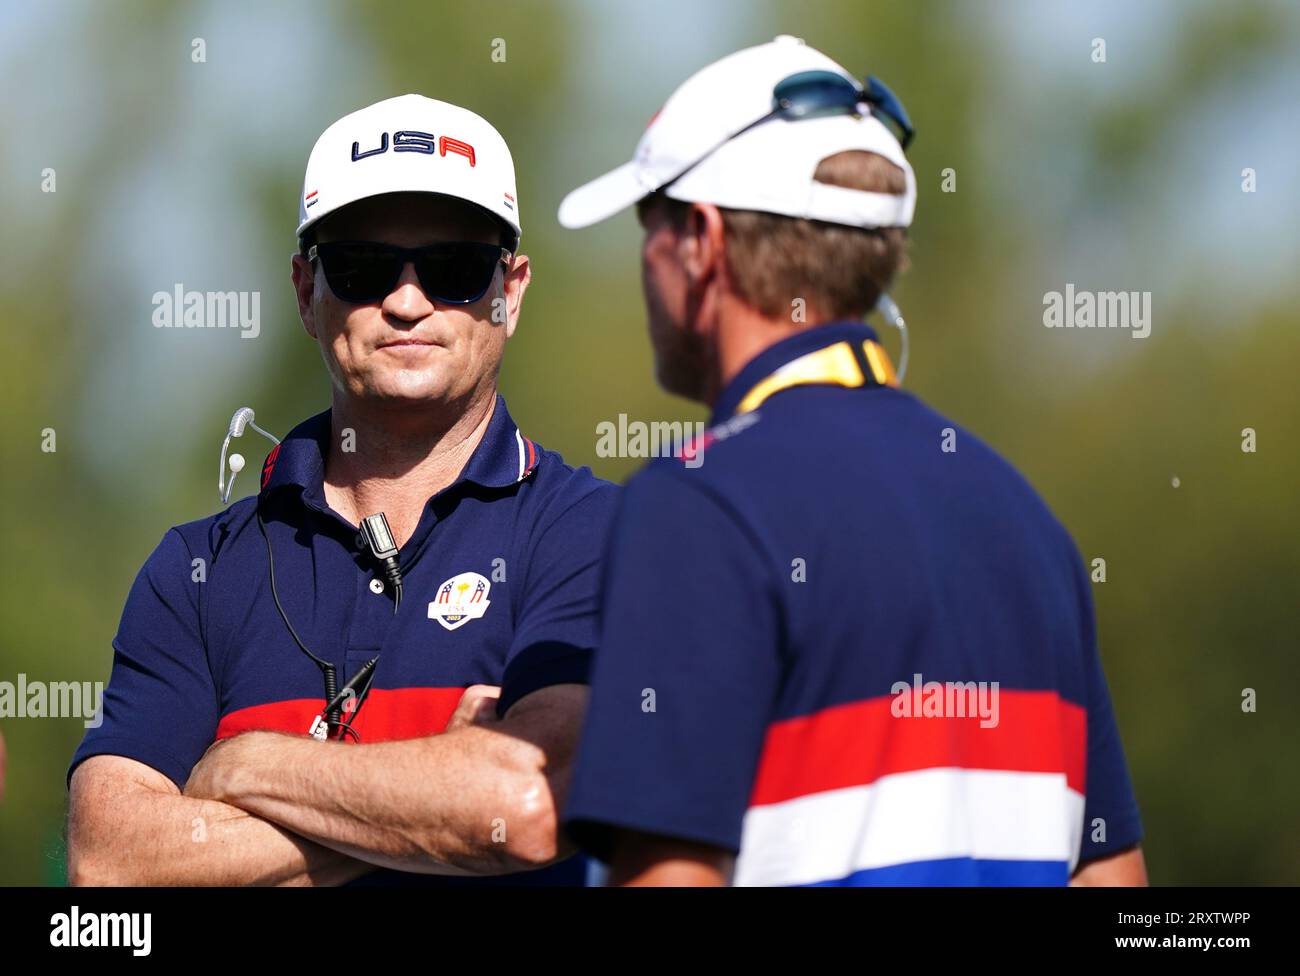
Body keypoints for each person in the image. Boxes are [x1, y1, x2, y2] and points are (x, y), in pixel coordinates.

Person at [557, 36, 1146, 886]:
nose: (642, 259)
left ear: (701, 240)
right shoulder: (1027, 519)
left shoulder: (697, 504)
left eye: (648, 221)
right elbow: (1116, 880)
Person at [67, 93, 617, 886]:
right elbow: (113, 863)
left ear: (513, 289)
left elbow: (525, 803)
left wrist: (247, 767)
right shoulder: (195, 570)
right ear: (303, 288)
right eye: (361, 266)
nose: (405, 300)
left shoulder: (595, 532)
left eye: (456, 269)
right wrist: (433, 797)